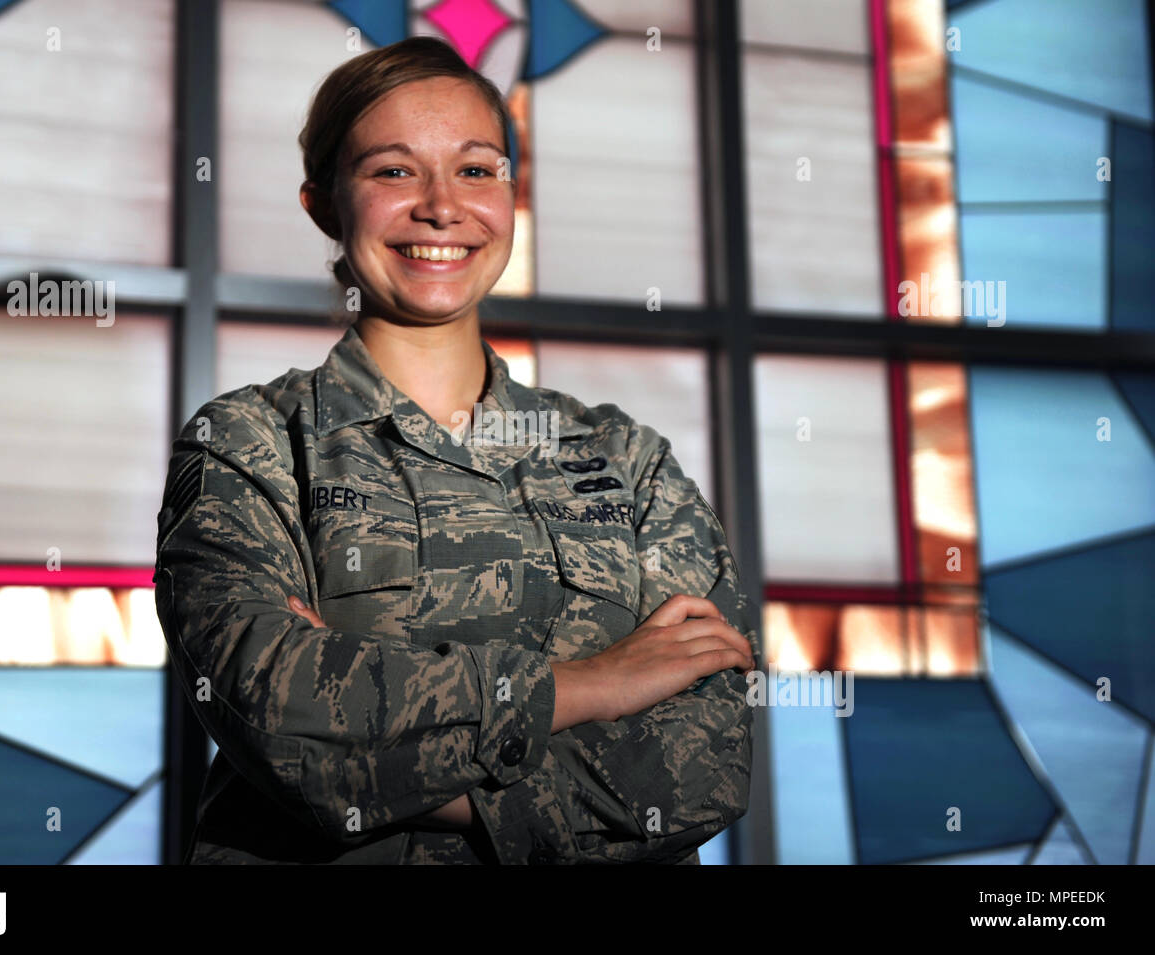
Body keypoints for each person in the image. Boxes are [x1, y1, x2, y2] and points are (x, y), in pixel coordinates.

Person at [153, 35, 759, 865]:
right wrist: (589, 685)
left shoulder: (627, 459)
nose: (443, 206)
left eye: (477, 169)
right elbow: (280, 726)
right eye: (394, 171)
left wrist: (382, 750)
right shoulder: (251, 445)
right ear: (324, 204)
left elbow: (705, 769)